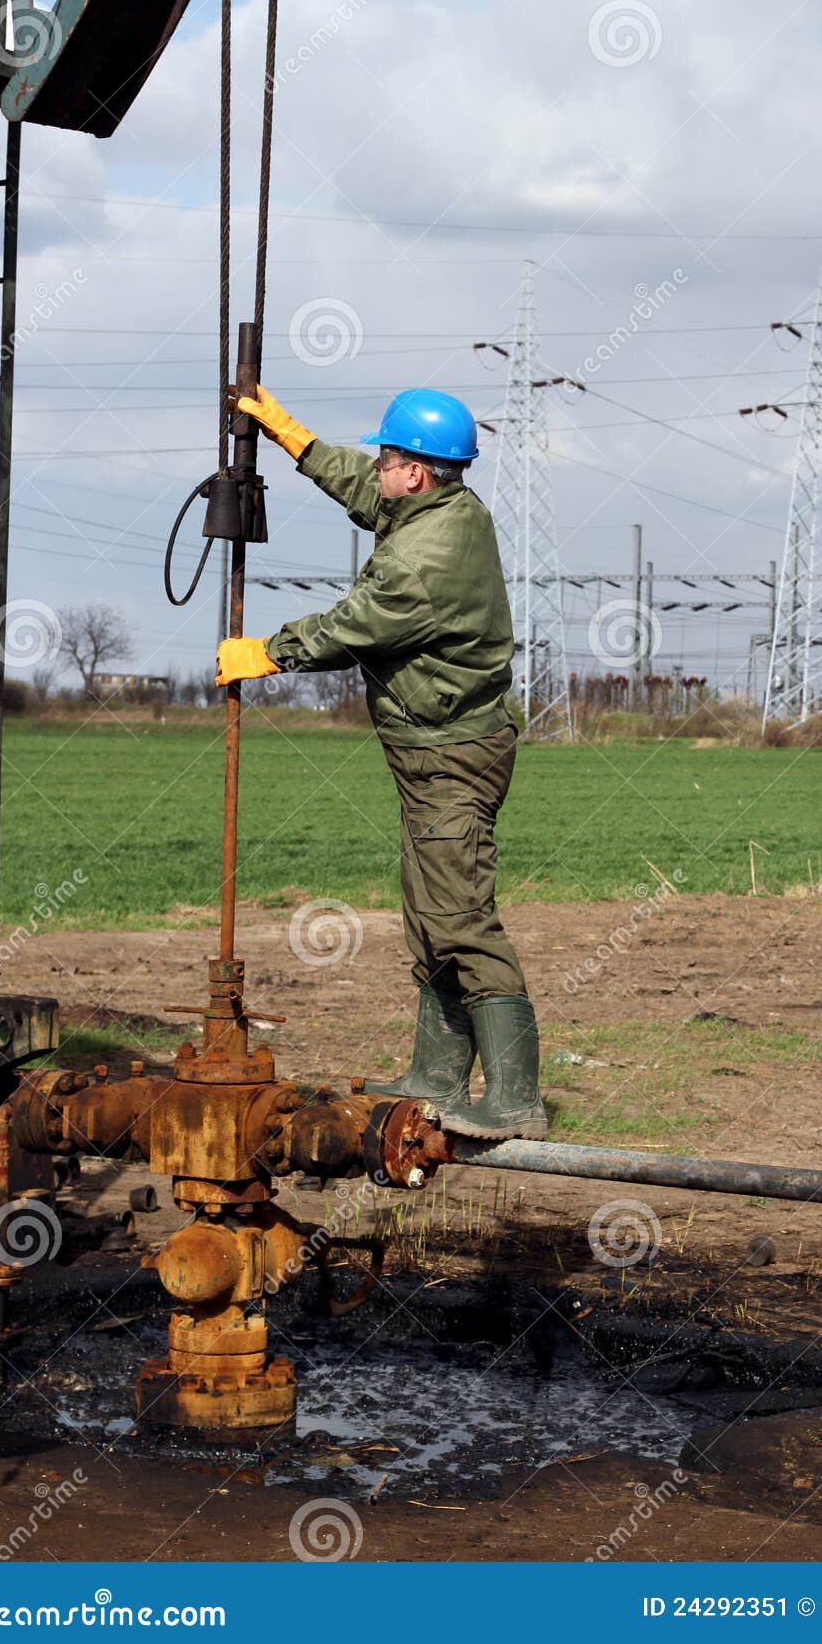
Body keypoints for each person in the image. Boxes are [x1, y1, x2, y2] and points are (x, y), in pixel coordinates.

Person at [215, 384, 547, 1140]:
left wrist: (267, 651)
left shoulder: (424, 561)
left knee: (460, 918)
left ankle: (515, 1100)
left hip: (452, 754)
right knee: (429, 916)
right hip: (432, 750)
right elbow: (363, 488)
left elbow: (354, 624)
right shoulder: (437, 507)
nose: (379, 465)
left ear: (417, 471)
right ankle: (435, 1075)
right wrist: (294, 442)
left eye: (387, 455)